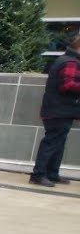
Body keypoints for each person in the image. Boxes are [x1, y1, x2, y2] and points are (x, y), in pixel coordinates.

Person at [32, 31, 80, 187]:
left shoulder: (68, 60)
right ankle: (38, 175)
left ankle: (52, 174)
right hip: (58, 111)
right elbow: (68, 85)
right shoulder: (70, 62)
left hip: (60, 110)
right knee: (52, 142)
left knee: (58, 143)